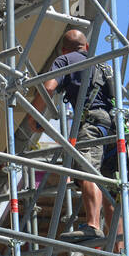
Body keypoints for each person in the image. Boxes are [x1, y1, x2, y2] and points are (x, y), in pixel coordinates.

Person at [23, 28, 118, 239]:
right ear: (86, 46)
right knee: (112, 188)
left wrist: (34, 116)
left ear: (64, 50)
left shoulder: (65, 60)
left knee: (87, 171)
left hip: (91, 124)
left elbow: (48, 88)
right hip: (114, 126)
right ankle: (119, 248)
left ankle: (93, 225)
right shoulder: (103, 65)